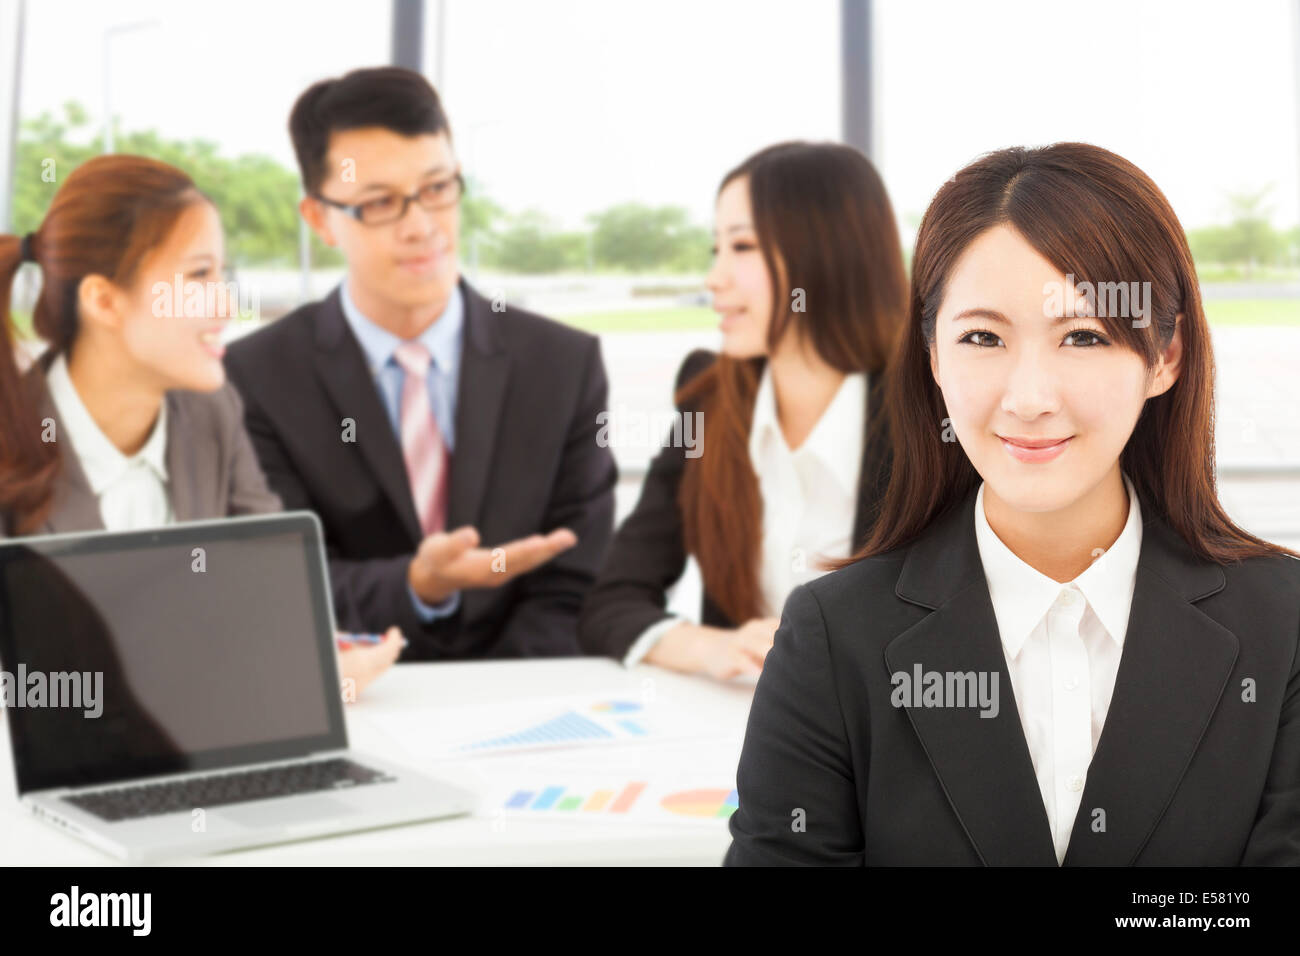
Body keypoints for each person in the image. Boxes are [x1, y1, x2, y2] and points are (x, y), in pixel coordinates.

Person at [724, 142, 1300, 866]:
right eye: (982, 337)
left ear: (1166, 357)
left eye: (1084, 336)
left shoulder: (1284, 628)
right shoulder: (831, 639)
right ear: (933, 354)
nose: (1029, 399)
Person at [224, 67, 617, 660]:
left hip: (526, 699)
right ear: (319, 218)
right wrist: (417, 584)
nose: (422, 227)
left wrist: (494, 712)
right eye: (380, 203)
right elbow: (286, 578)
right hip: (361, 696)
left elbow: (574, 580)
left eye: (437, 189)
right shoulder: (256, 376)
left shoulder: (563, 364)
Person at [0, 154, 401, 697]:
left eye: (223, 275)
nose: (228, 305)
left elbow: (277, 587)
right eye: (198, 275)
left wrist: (320, 656)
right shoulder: (15, 434)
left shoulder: (211, 415)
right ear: (104, 300)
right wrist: (280, 676)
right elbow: (37, 687)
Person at [578, 142, 906, 680]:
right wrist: (709, 647)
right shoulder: (708, 399)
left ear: (828, 251)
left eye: (743, 246)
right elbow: (612, 603)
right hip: (741, 733)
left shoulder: (930, 410)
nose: (714, 278)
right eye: (716, 250)